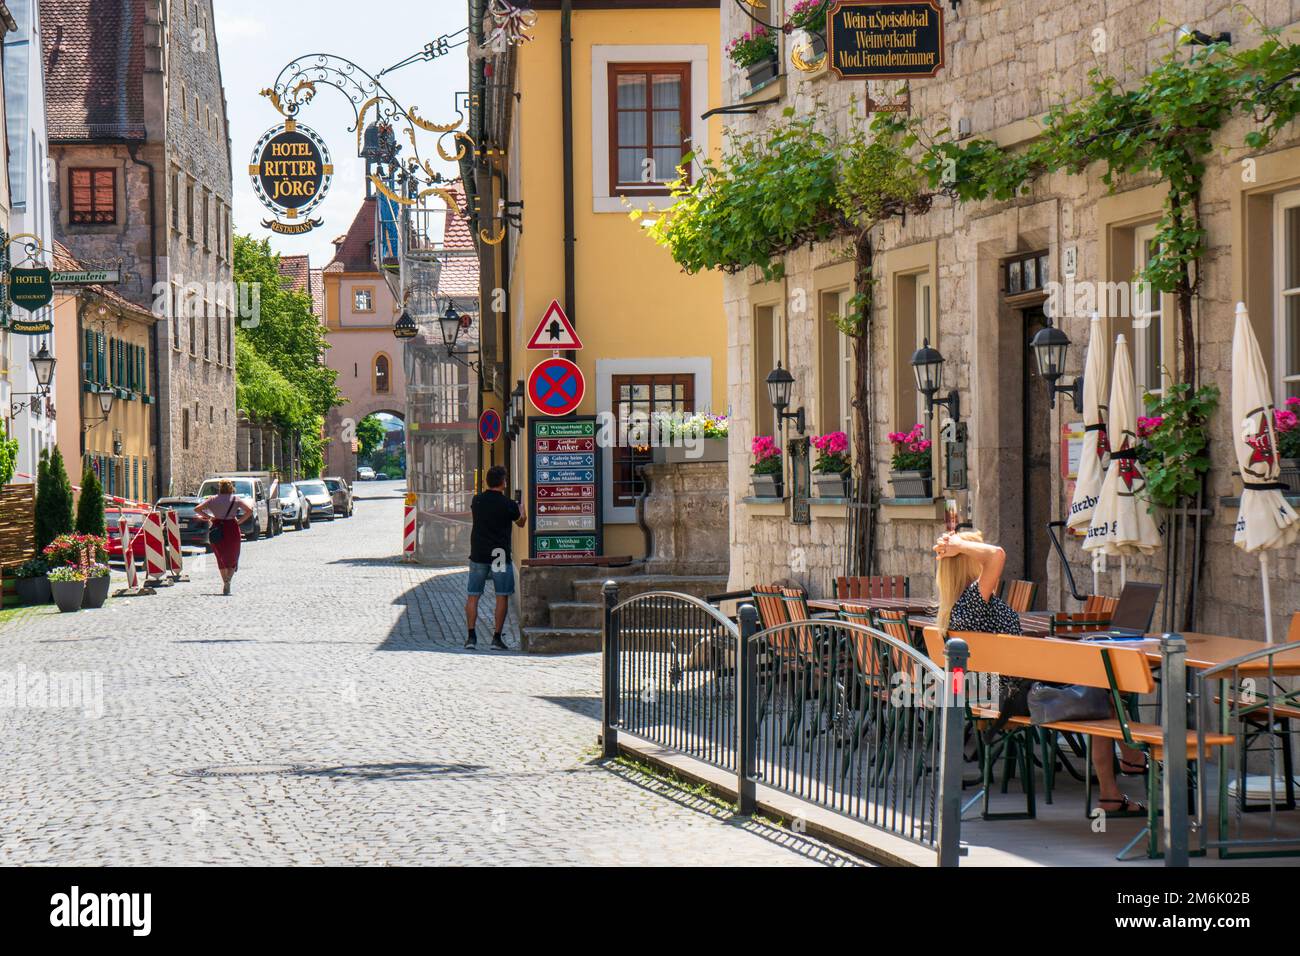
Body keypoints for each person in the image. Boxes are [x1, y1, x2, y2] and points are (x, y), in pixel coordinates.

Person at [934, 529, 1144, 814]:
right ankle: (1128, 768)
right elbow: (996, 555)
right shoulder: (972, 602)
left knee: (1100, 693)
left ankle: (1121, 777)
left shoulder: (956, 610)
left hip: (1001, 694)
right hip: (1016, 697)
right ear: (970, 564)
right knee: (1101, 697)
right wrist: (959, 544)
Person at [465, 466, 526, 650]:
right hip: (499, 555)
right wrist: (521, 509)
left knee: (473, 595)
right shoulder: (508, 504)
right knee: (502, 595)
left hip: (478, 553)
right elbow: (521, 522)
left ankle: (471, 637)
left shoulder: (477, 501)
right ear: (503, 483)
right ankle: (496, 638)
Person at [195, 480, 252, 596]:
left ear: (220, 488)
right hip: (232, 528)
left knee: (220, 557)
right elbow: (249, 511)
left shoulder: (213, 499)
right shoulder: (235, 499)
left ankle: (225, 580)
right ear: (231, 488)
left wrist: (210, 517)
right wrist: (239, 521)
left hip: (217, 528)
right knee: (233, 556)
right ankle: (228, 581)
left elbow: (197, 509)